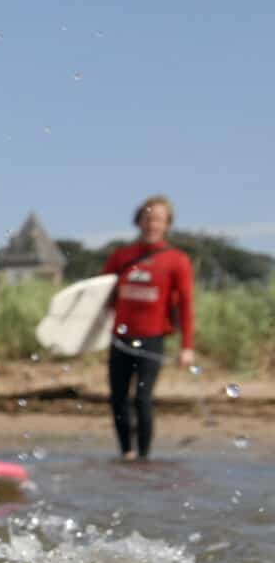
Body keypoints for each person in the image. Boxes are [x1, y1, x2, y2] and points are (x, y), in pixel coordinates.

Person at [101, 195, 195, 461]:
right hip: (119, 339)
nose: (151, 224)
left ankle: (143, 457)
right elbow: (100, 298)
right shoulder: (121, 257)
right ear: (138, 221)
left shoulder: (177, 260)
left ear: (166, 224)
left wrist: (187, 347)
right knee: (117, 399)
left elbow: (186, 306)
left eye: (157, 219)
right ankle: (126, 453)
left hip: (152, 339)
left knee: (142, 399)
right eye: (147, 218)